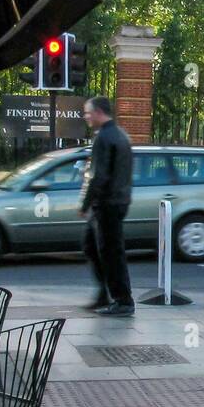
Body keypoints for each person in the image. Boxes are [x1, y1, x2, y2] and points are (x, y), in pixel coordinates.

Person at [79, 96, 135, 316]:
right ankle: (105, 294)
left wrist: (85, 204)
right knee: (91, 245)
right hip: (117, 201)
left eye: (88, 113)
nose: (86, 117)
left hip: (107, 204)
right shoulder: (121, 135)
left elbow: (98, 176)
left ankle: (123, 301)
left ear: (99, 113)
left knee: (111, 253)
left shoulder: (104, 137)